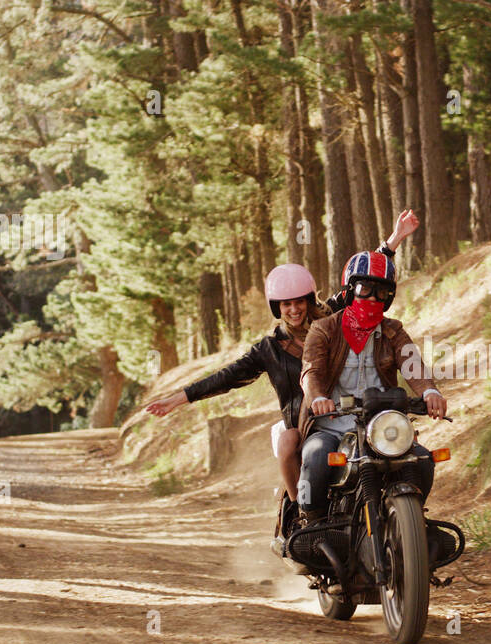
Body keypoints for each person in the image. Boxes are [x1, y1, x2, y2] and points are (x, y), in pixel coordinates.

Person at [144, 211, 422, 503]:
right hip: (308, 423)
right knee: (288, 442)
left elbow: (364, 280)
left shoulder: (334, 317)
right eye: (286, 304)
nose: (294, 309)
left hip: (355, 413)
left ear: (309, 300)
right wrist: (179, 398)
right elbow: (226, 377)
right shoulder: (270, 348)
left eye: (299, 301)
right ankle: (300, 510)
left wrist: (394, 240)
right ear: (278, 308)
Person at [296, 237, 447, 525]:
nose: (372, 298)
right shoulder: (324, 329)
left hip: (382, 428)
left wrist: (429, 391)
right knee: (315, 458)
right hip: (333, 424)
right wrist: (317, 398)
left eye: (381, 292)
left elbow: (412, 363)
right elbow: (310, 370)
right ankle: (313, 525)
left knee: (423, 461)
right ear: (350, 289)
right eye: (365, 289)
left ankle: (410, 523)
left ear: (389, 298)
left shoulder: (392, 331)